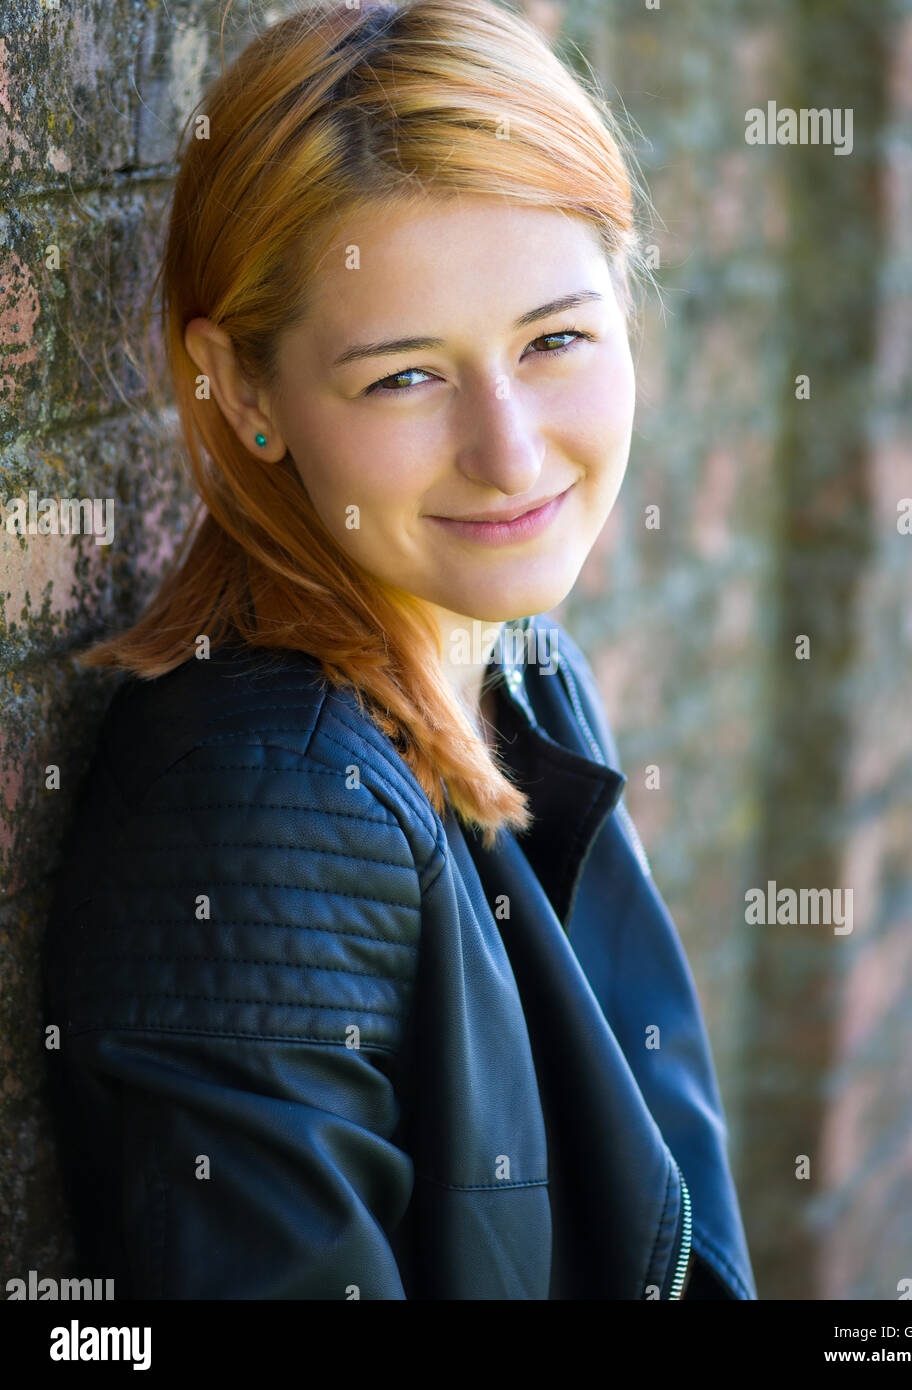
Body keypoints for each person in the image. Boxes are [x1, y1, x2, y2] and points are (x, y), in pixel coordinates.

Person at [42, 0, 757, 1300]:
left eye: (554, 341)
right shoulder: (264, 810)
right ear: (244, 391)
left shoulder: (519, 660)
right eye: (405, 377)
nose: (512, 453)